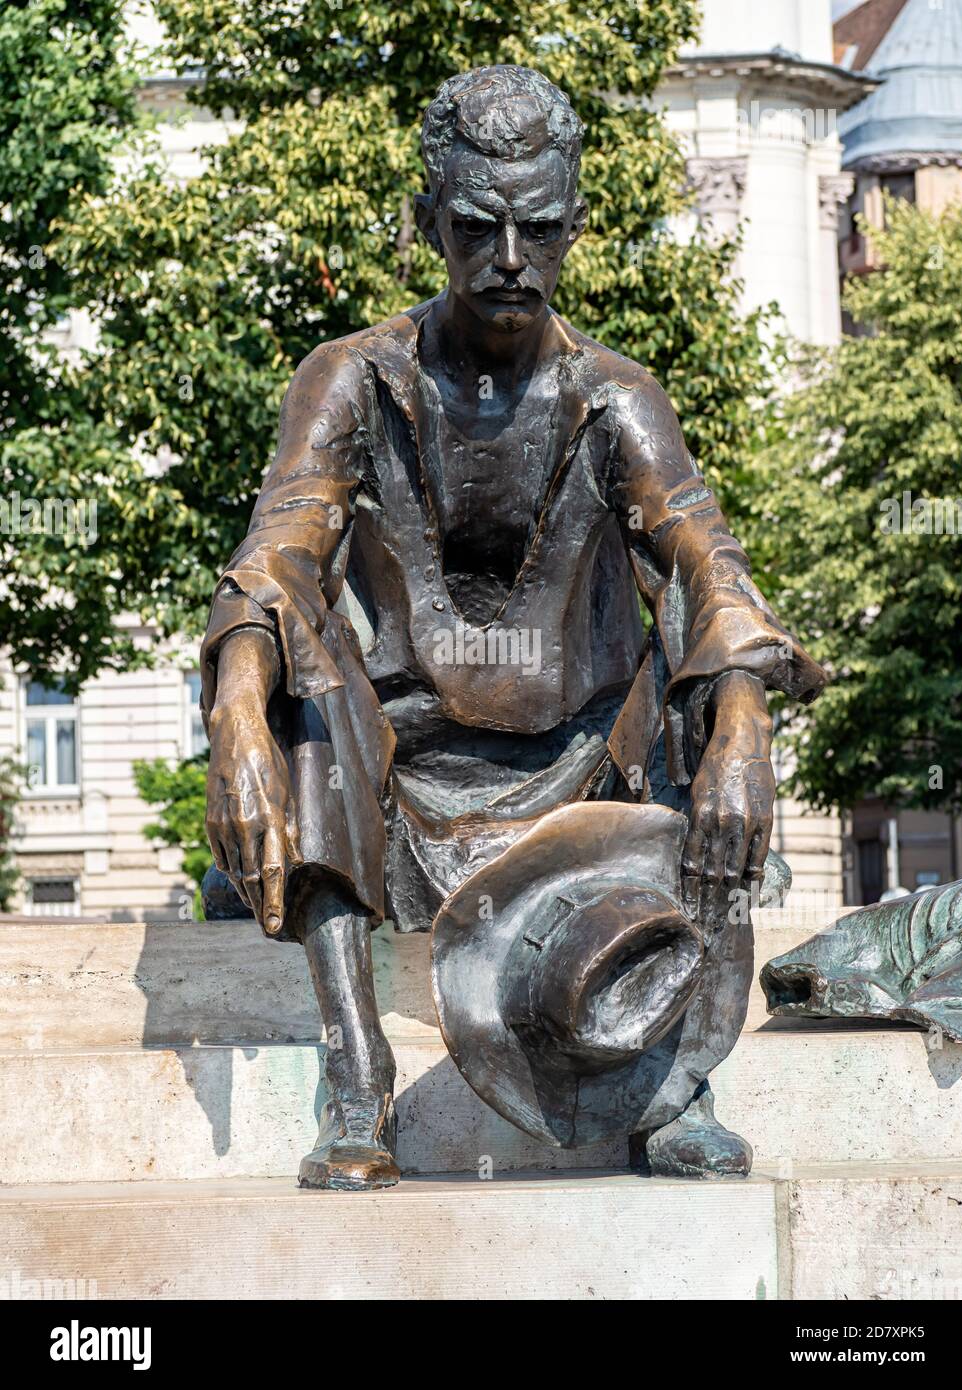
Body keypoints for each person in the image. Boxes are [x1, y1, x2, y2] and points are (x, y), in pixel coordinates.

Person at [201, 65, 825, 1191]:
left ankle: (677, 1076)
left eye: (539, 230)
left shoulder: (616, 395)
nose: (507, 261)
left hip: (579, 771)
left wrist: (741, 720)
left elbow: (704, 555)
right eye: (477, 228)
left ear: (574, 225)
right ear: (428, 220)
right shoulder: (349, 379)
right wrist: (237, 708)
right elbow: (280, 550)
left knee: (700, 651)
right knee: (299, 658)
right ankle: (357, 1074)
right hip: (397, 771)